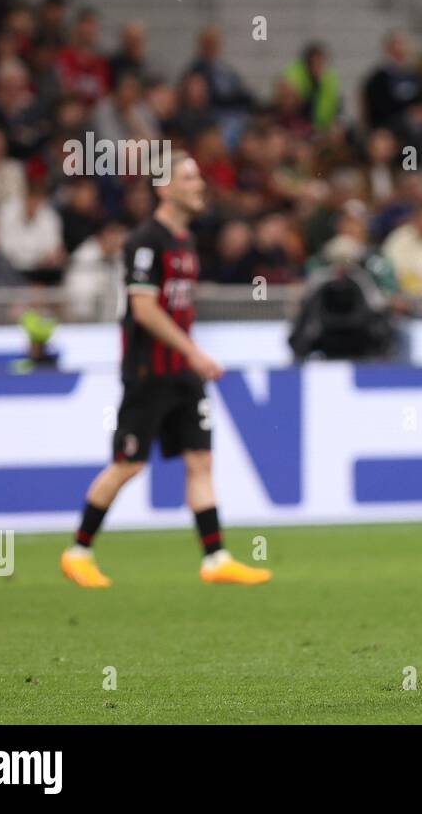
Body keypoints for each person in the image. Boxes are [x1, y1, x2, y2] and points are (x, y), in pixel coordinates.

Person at [60, 153, 271, 588]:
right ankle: (79, 550)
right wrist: (194, 352)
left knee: (200, 460)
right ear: (164, 187)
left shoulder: (186, 241)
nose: (200, 185)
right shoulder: (145, 241)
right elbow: (144, 310)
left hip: (182, 373)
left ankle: (215, 558)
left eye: (199, 176)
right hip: (149, 372)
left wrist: (189, 359)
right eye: (189, 177)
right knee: (129, 465)